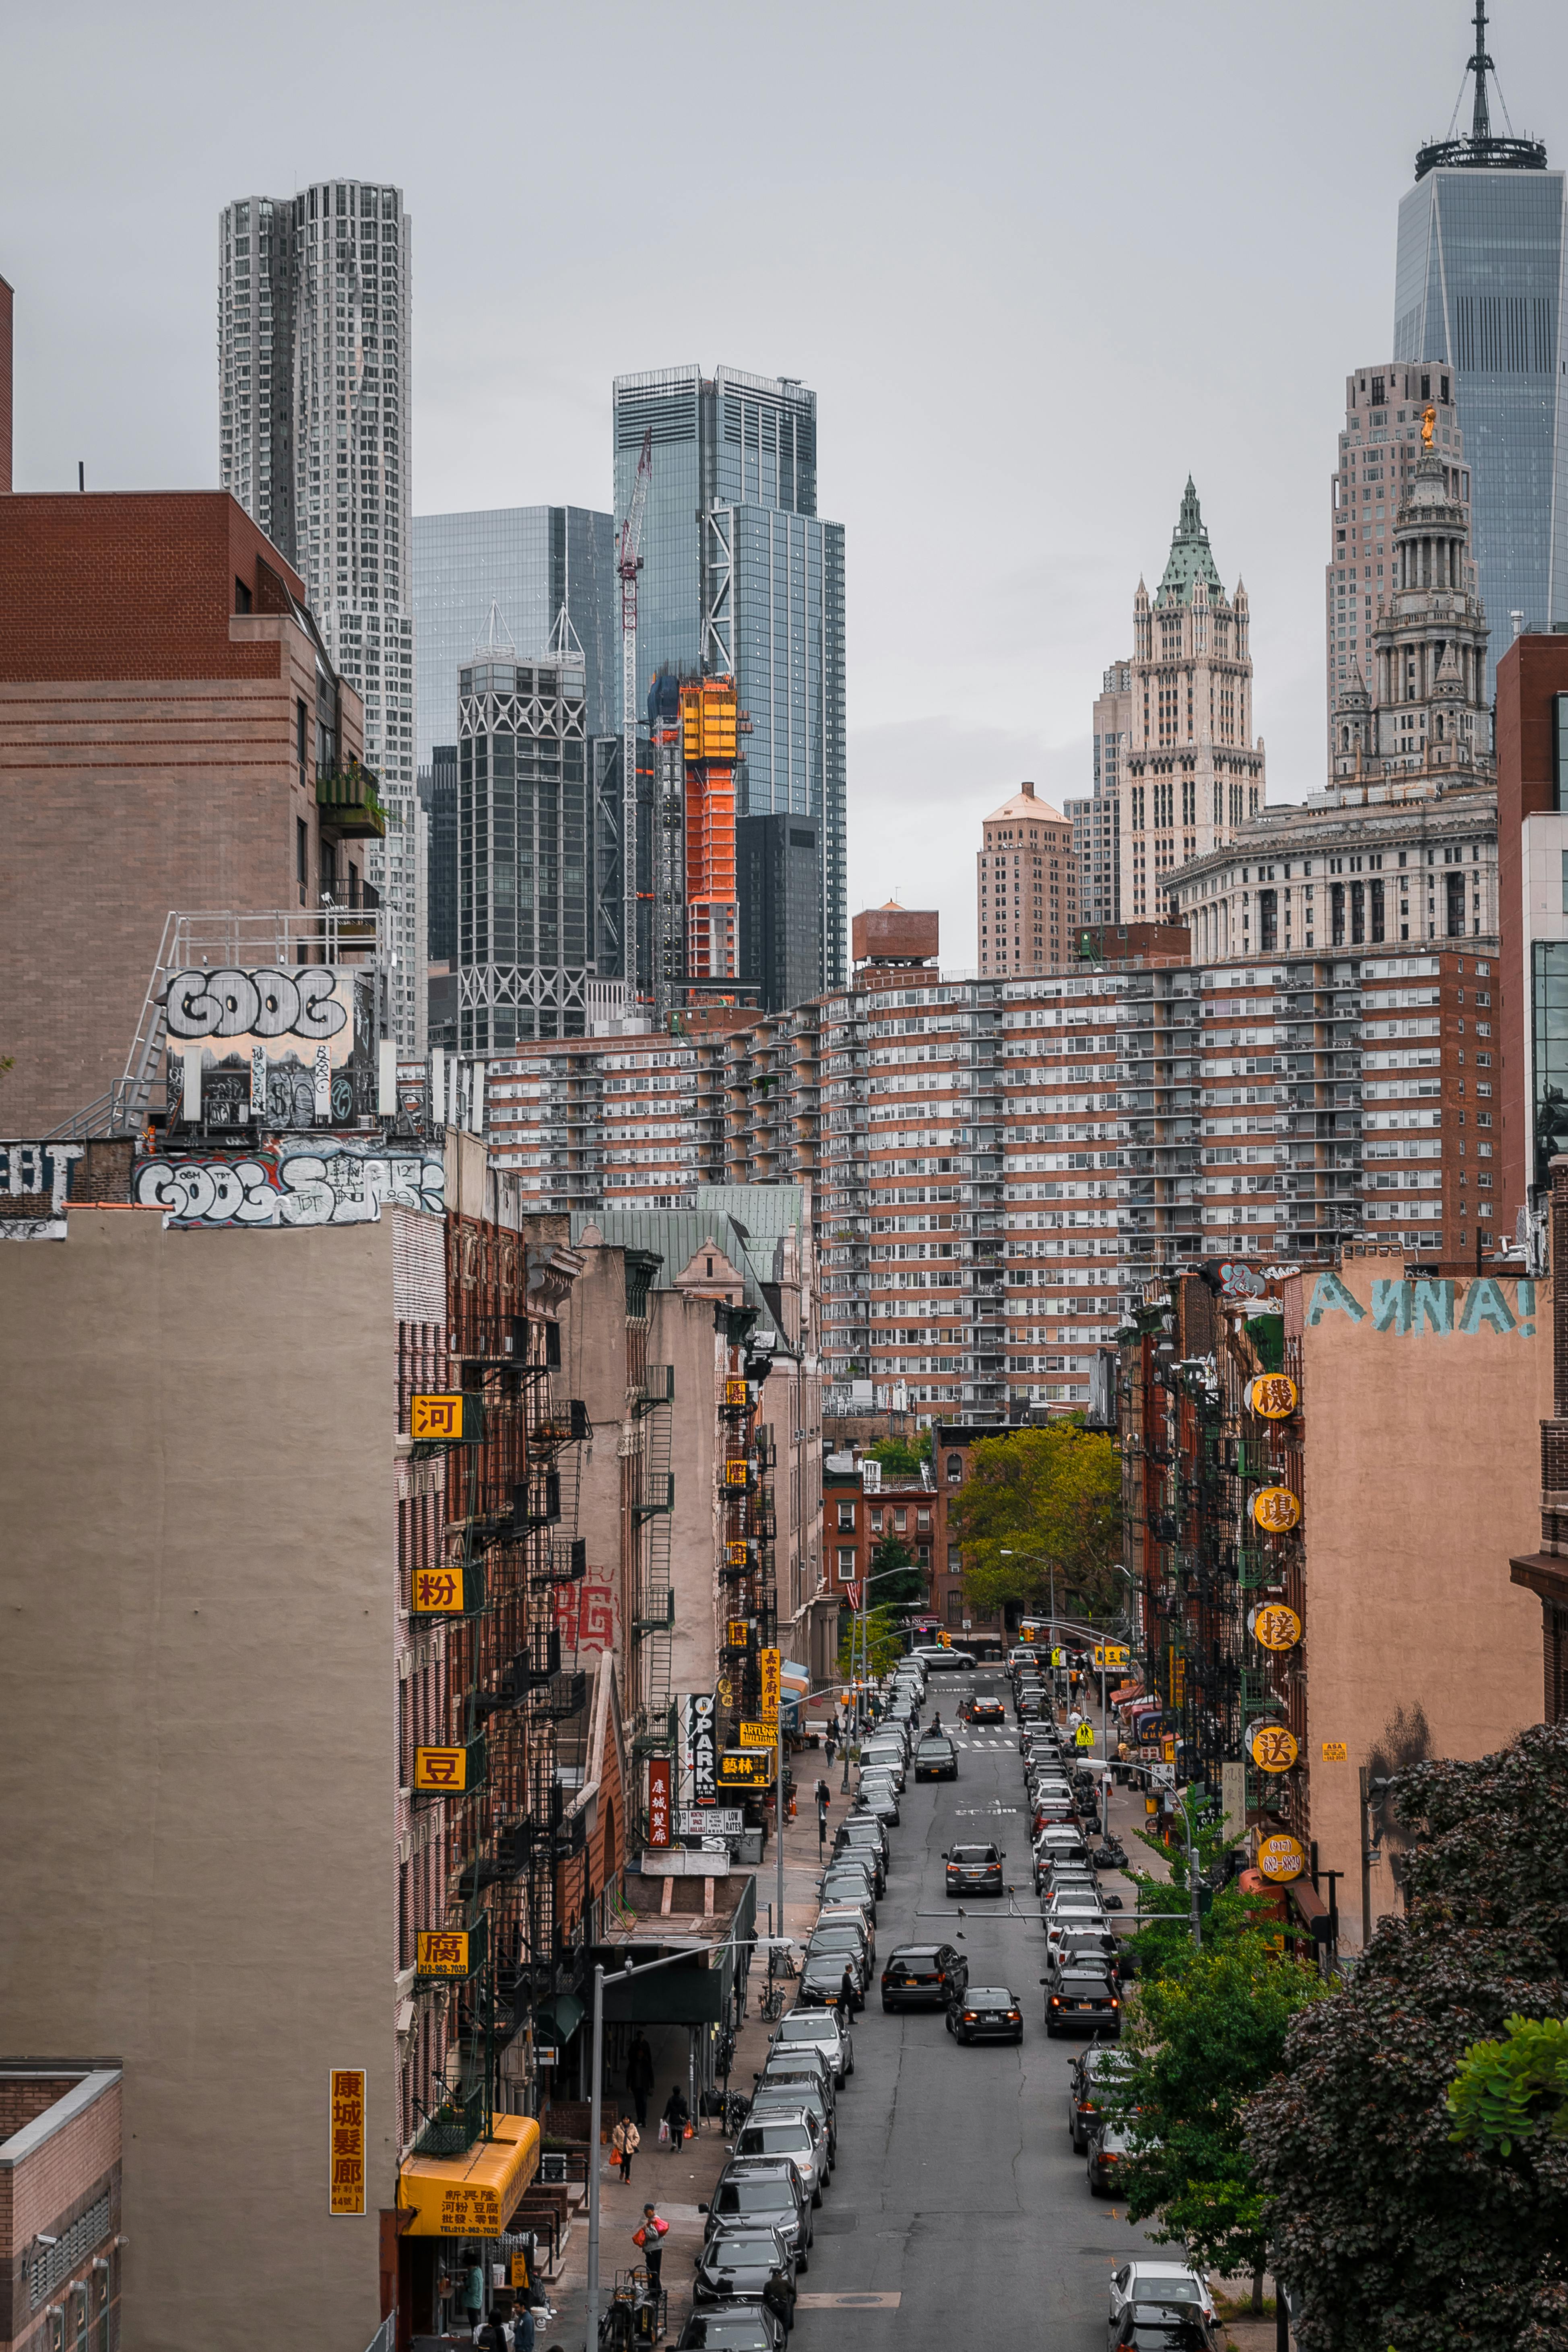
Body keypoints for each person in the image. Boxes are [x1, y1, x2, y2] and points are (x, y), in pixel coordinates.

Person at [633, 2201, 669, 2293]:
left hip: (653, 2250)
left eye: (647, 2211)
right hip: (656, 2249)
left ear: (652, 2211)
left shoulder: (654, 2221)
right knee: (655, 2272)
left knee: (652, 2272)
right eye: (645, 2211)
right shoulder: (655, 2220)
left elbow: (655, 2235)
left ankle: (654, 2292)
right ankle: (657, 2291)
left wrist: (646, 2230)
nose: (645, 2213)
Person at [625, 2030, 655, 2130]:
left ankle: (643, 2119)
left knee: (643, 2102)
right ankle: (641, 2119)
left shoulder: (646, 2063)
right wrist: (629, 2086)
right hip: (637, 2086)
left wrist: (652, 2087)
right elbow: (629, 2074)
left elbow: (651, 2075)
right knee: (639, 2103)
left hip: (643, 2086)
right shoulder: (634, 2063)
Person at [460, 2248, 484, 2335]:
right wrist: (465, 2279)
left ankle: (476, 2340)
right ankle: (475, 2338)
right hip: (474, 2302)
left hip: (473, 2303)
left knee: (474, 2323)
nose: (466, 2268)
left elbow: (474, 2290)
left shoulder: (474, 2274)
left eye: (467, 2266)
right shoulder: (478, 2271)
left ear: (470, 2265)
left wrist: (464, 2288)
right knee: (474, 2323)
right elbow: (472, 2282)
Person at [611, 2111, 640, 2183]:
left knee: (628, 2164)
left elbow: (637, 2137)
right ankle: (622, 2172)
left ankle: (627, 2178)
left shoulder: (633, 2128)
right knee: (622, 2163)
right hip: (621, 2148)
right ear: (622, 2120)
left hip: (630, 2149)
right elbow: (614, 2136)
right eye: (624, 2119)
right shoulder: (618, 2128)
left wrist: (634, 2143)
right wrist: (616, 2144)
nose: (626, 2121)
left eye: (627, 2119)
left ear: (630, 2120)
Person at [662, 2082, 689, 2153]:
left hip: (673, 2119)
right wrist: (688, 2119)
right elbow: (685, 2111)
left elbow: (667, 2110)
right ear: (680, 2092)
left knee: (673, 2132)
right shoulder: (683, 2100)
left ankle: (674, 2143)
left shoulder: (670, 2100)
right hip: (681, 2120)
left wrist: (664, 2118)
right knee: (680, 2135)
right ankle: (680, 2149)